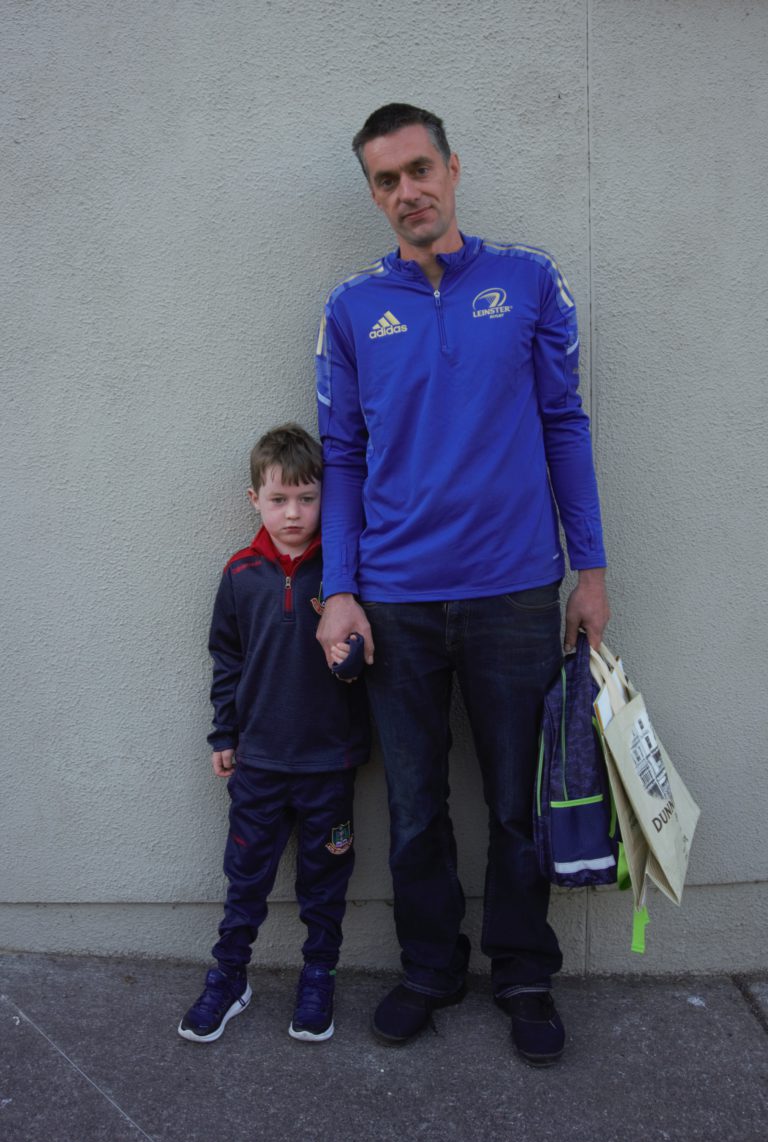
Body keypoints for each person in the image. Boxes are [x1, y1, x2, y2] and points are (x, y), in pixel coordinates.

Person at [314, 104, 610, 1065]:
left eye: (419, 169)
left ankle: (523, 969)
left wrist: (590, 570)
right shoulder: (353, 307)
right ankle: (430, 968)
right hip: (395, 598)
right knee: (413, 807)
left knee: (519, 803)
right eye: (385, 180)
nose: (407, 192)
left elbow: (565, 424)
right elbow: (344, 456)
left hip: (518, 591)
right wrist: (341, 586)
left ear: (452, 168)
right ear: (373, 193)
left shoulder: (529, 279)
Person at [178, 423, 370, 1044]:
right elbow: (226, 661)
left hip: (329, 763)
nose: (293, 513)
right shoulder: (239, 574)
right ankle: (230, 976)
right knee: (247, 877)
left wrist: (357, 659)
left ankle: (319, 975)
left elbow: (373, 651)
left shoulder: (343, 576)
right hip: (258, 761)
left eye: (307, 499)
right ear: (254, 499)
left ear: (326, 501)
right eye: (279, 499)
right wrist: (223, 734)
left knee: (325, 879)